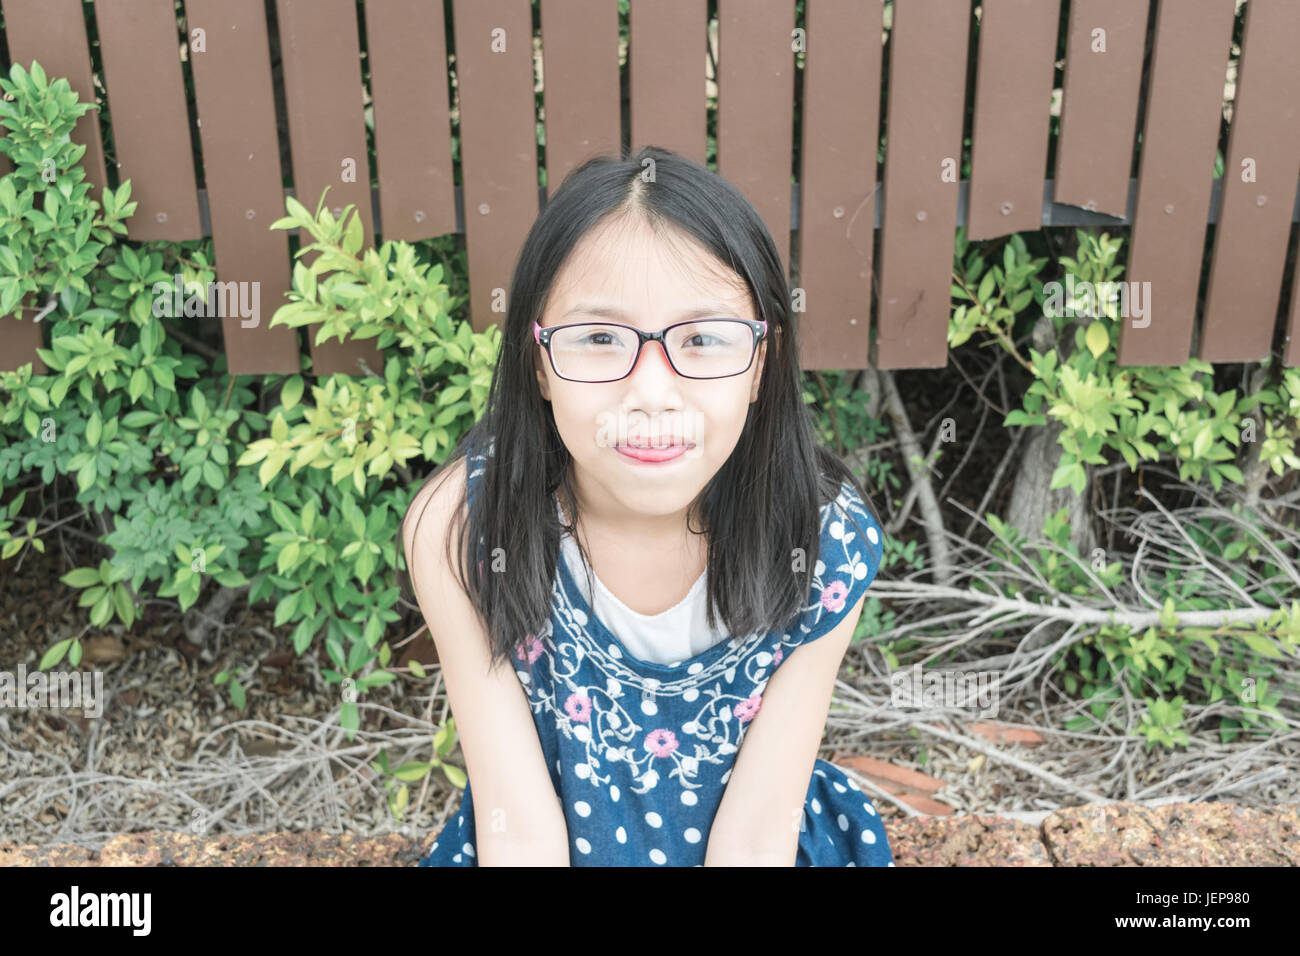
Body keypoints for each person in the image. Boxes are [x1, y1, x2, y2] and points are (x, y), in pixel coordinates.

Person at [401, 146, 893, 867]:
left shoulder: (826, 541)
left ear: (764, 363)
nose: (653, 391)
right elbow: (518, 830)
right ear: (538, 361)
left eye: (702, 338)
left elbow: (758, 833)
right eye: (600, 338)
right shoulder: (463, 528)